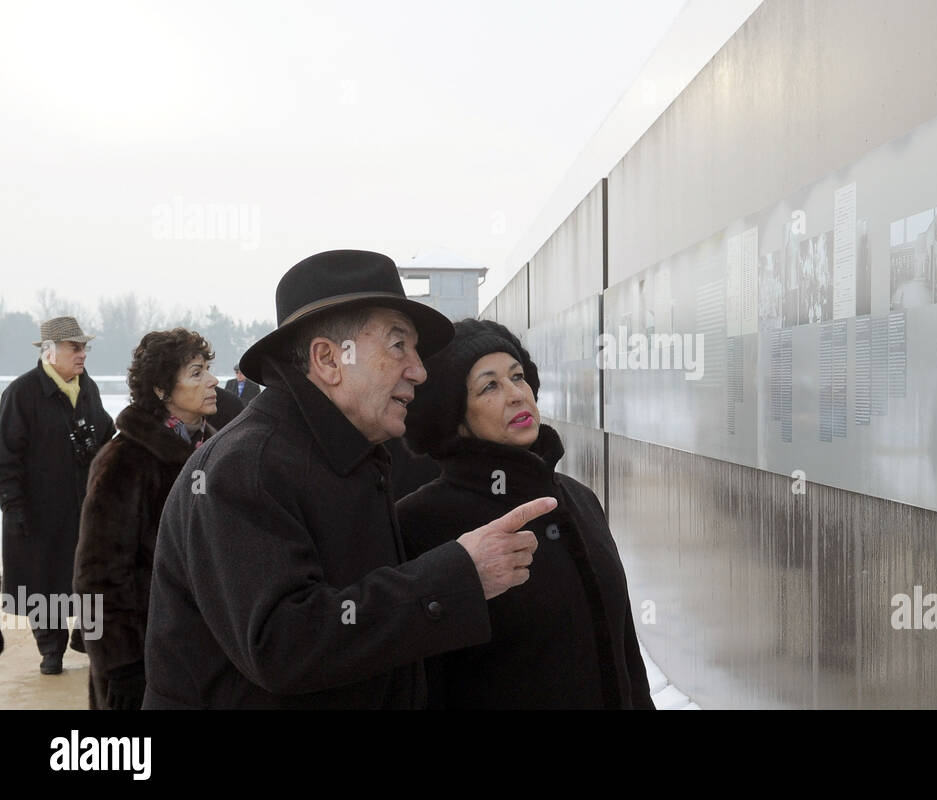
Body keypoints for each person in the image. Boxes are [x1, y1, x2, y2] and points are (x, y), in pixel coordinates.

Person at [143, 250, 550, 708]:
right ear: (328, 360)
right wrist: (458, 576)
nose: (419, 370)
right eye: (399, 346)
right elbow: (282, 645)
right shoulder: (246, 468)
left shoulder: (353, 452)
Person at [397, 319, 653, 709]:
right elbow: (423, 681)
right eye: (490, 386)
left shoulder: (579, 499)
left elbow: (626, 653)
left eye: (518, 377)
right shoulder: (420, 522)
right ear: (455, 417)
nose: (517, 395)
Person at [73, 329, 219, 710]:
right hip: (144, 656)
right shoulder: (125, 460)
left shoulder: (219, 453)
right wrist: (120, 665)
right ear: (161, 389)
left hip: (212, 656)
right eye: (197, 372)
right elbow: (98, 575)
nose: (212, 381)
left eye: (208, 370)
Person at [0, 316, 114, 675]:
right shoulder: (21, 393)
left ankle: (88, 641)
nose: (82, 354)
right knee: (44, 582)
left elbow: (108, 437)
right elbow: (5, 457)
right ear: (50, 353)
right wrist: (13, 506)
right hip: (38, 511)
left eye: (84, 347)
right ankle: (51, 650)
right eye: (74, 347)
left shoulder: (88, 388)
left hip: (84, 507)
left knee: (89, 577)